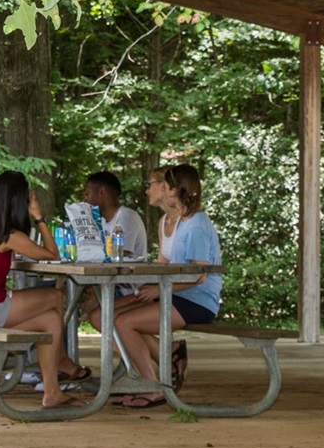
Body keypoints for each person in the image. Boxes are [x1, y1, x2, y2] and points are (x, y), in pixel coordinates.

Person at [112, 163, 222, 408]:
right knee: (104, 314)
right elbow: (164, 267)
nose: (158, 188)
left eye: (166, 185)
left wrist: (158, 290)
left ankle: (153, 386)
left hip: (197, 300)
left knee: (124, 322)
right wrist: (148, 286)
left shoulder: (196, 225)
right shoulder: (177, 221)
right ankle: (157, 370)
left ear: (173, 190)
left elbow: (198, 276)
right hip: (173, 294)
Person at [0, 170, 91, 409]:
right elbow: (54, 256)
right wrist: (38, 216)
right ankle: (63, 361)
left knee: (51, 320)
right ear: (19, 201)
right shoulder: (9, 235)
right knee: (54, 295)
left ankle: (52, 392)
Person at [82, 171, 147, 260]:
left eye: (87, 193)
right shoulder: (101, 221)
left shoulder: (126, 216)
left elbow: (119, 257)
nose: (85, 199)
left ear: (101, 192)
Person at [145, 165, 184, 263]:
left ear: (163, 185)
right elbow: (162, 265)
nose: (147, 191)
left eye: (150, 185)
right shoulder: (163, 221)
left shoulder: (187, 219)